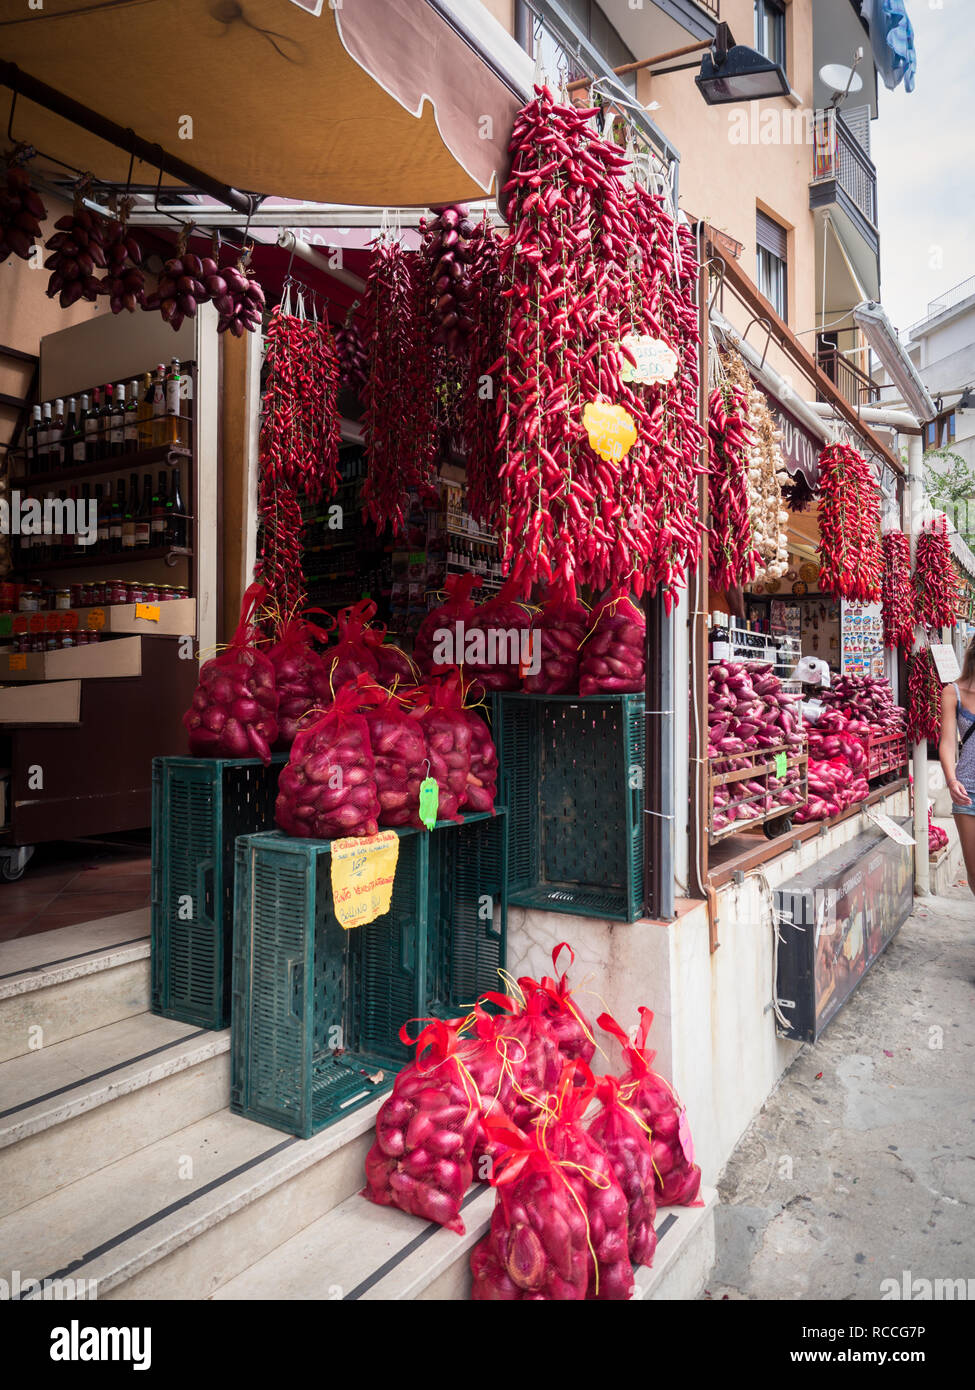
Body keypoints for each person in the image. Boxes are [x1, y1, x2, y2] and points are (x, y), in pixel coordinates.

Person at [938, 638, 975, 894]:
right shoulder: (954, 692)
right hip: (967, 791)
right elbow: (948, 743)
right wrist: (951, 780)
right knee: (974, 872)